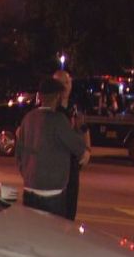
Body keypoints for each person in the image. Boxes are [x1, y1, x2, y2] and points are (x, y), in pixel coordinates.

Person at [16, 78, 90, 219]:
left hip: (29, 188)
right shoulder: (58, 120)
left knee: (33, 232)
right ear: (57, 97)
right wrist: (82, 131)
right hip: (52, 193)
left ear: (40, 96)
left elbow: (19, 153)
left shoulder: (28, 118)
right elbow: (80, 150)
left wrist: (26, 173)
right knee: (52, 235)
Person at [52, 70, 91, 220]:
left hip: (72, 166)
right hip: (57, 167)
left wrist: (87, 148)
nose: (65, 86)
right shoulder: (52, 110)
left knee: (70, 211)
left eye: (68, 82)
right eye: (61, 83)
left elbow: (83, 129)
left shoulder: (74, 108)